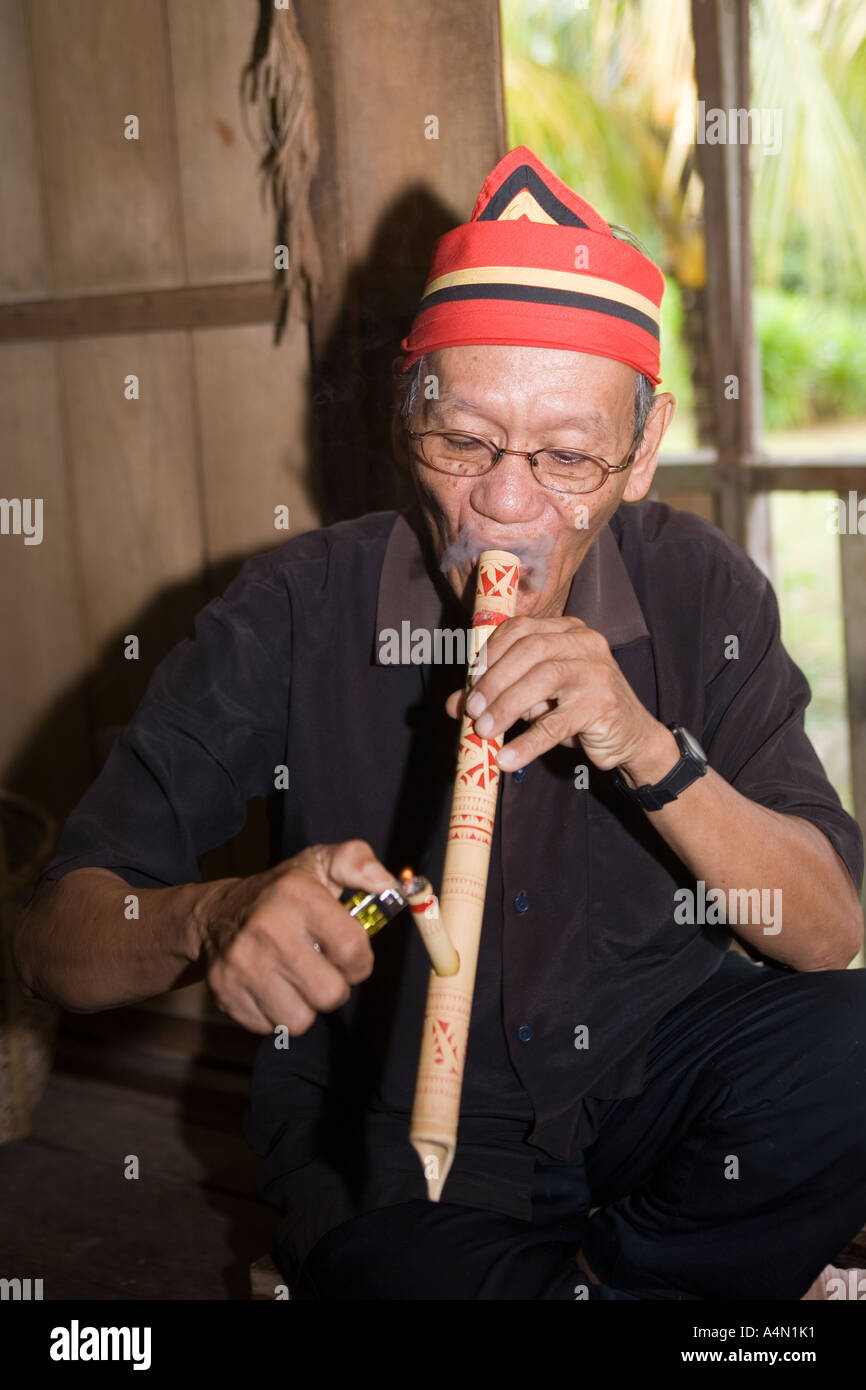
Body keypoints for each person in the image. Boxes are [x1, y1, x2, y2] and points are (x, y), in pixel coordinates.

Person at [14, 147, 866, 1301]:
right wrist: (212, 917)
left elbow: (820, 933)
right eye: (461, 442)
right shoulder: (288, 607)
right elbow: (56, 941)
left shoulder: (698, 591)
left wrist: (651, 753)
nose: (506, 506)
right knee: (409, 1263)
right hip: (395, 1142)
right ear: (405, 408)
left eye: (568, 456)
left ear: (644, 447)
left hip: (654, 1096)